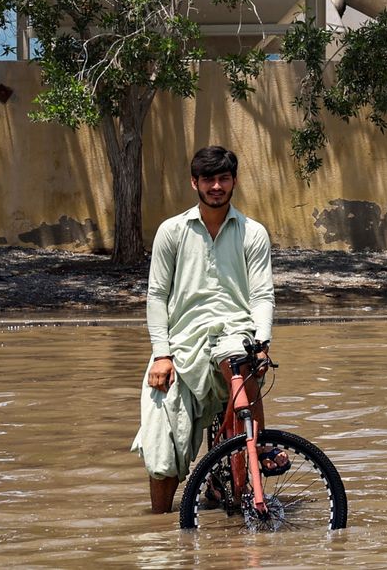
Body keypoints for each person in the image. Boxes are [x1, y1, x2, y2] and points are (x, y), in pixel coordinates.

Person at [131, 145, 284, 514]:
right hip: (180, 344)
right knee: (162, 449)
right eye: (209, 179)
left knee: (240, 358)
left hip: (234, 333)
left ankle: (254, 448)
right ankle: (159, 529)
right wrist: (162, 354)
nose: (217, 186)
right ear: (194, 183)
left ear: (233, 182)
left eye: (224, 178)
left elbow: (262, 294)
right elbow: (156, 296)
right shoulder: (172, 231)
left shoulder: (253, 232)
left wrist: (262, 342)